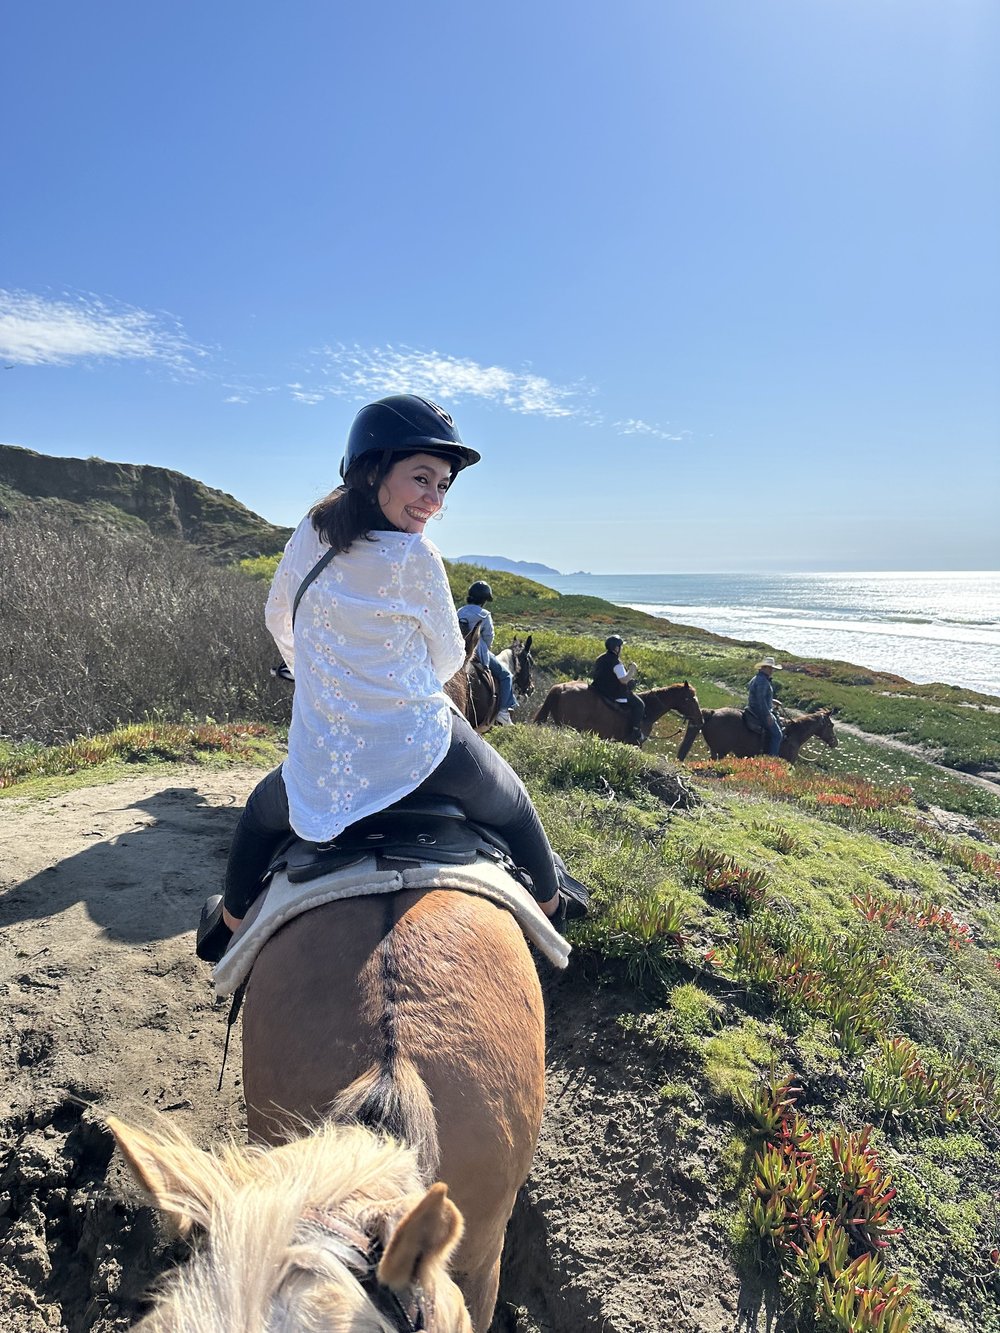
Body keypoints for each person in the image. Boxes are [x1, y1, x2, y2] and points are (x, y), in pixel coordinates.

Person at [221, 393, 578, 937]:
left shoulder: (308, 535)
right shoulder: (417, 557)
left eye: (442, 486)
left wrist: (320, 672)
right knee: (515, 805)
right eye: (421, 478)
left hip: (324, 753)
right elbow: (449, 659)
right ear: (372, 471)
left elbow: (278, 618)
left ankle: (226, 924)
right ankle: (555, 910)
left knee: (255, 820)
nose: (433, 500)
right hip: (421, 750)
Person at [456, 581, 517, 726]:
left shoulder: (460, 611)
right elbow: (489, 637)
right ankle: (503, 712)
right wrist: (485, 650)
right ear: (483, 600)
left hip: (458, 651)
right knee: (506, 675)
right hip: (477, 652)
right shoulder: (484, 614)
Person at [591, 635, 645, 745]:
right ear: (616, 648)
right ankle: (635, 731)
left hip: (598, 688)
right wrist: (632, 670)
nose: (622, 649)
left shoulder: (600, 658)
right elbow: (624, 680)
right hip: (613, 692)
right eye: (620, 647)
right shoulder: (615, 662)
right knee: (640, 705)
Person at [747, 655, 783, 756]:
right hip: (760, 711)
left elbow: (760, 697)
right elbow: (761, 700)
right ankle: (772, 758)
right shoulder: (763, 681)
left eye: (773, 668)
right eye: (771, 668)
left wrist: (772, 701)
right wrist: (767, 715)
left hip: (754, 708)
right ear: (765, 668)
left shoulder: (758, 678)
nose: (772, 671)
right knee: (777, 735)